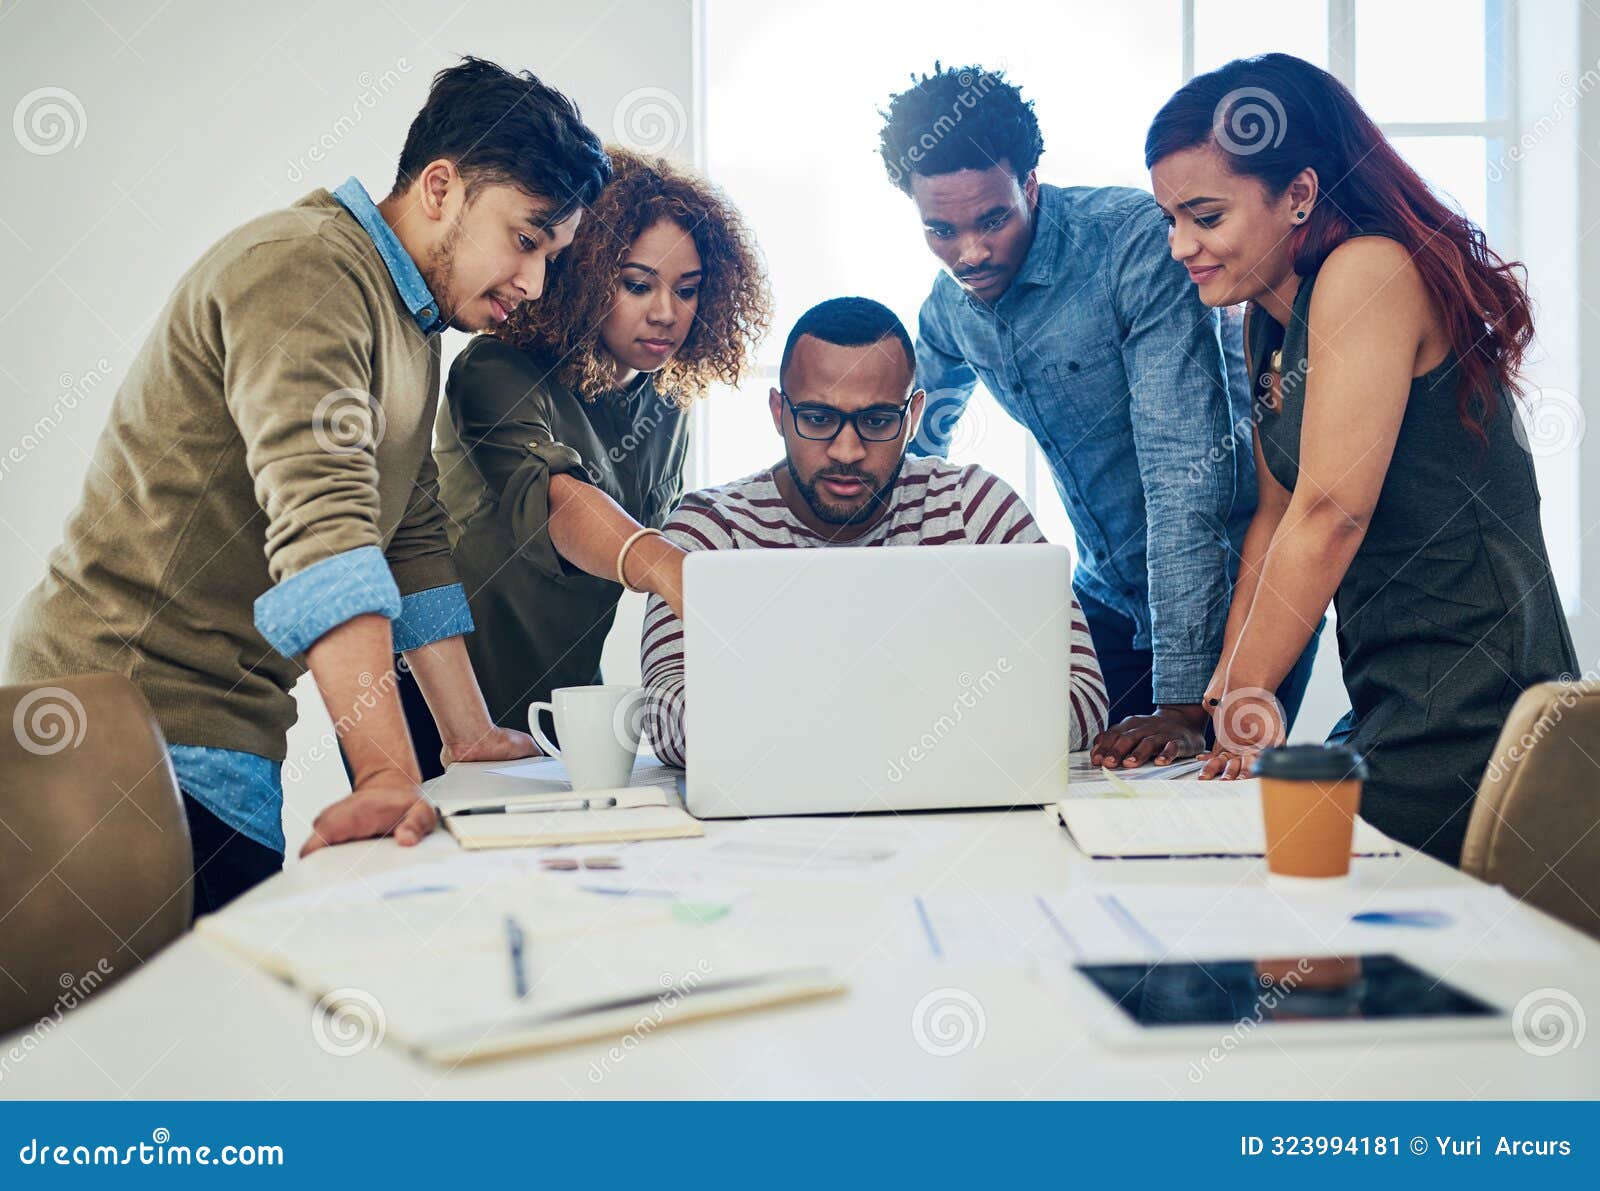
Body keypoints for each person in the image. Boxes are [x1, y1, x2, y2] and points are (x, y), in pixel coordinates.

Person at [3, 58, 612, 914]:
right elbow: (325, 527)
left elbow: (409, 533)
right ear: (441, 188)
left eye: (552, 255)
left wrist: (466, 733)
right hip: (122, 730)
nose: (535, 282)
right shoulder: (307, 270)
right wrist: (388, 772)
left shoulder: (410, 321)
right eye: (526, 239)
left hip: (222, 739)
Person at [1145, 53, 1577, 862]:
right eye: (1170, 219)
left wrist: (1246, 700)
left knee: (1270, 865)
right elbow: (1275, 518)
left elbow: (1330, 514)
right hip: (1393, 704)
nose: (1180, 246)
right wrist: (1223, 705)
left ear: (1300, 194)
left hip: (1482, 713)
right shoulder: (1269, 320)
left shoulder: (1367, 272)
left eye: (1204, 216)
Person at [876, 64, 1319, 770]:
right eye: (941, 230)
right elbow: (908, 455)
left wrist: (1182, 707)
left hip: (1235, 589)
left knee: (1201, 798)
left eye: (992, 220)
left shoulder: (1135, 247)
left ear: (1029, 184)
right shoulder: (950, 308)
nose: (970, 252)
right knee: (1073, 781)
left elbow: (1184, 480)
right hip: (1106, 596)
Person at [399, 149, 769, 775]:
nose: (666, 312)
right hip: (438, 704)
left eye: (687, 290)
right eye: (637, 284)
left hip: (565, 701)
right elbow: (557, 500)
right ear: (583, 274)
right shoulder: (494, 370)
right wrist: (670, 569)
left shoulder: (667, 404)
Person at [640, 297, 1107, 765]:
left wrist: (803, 718)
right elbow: (667, 723)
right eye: (818, 418)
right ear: (779, 413)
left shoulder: (975, 508)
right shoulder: (711, 531)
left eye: (877, 421)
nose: (847, 451)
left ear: (914, 417)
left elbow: (1083, 703)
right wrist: (929, 714)